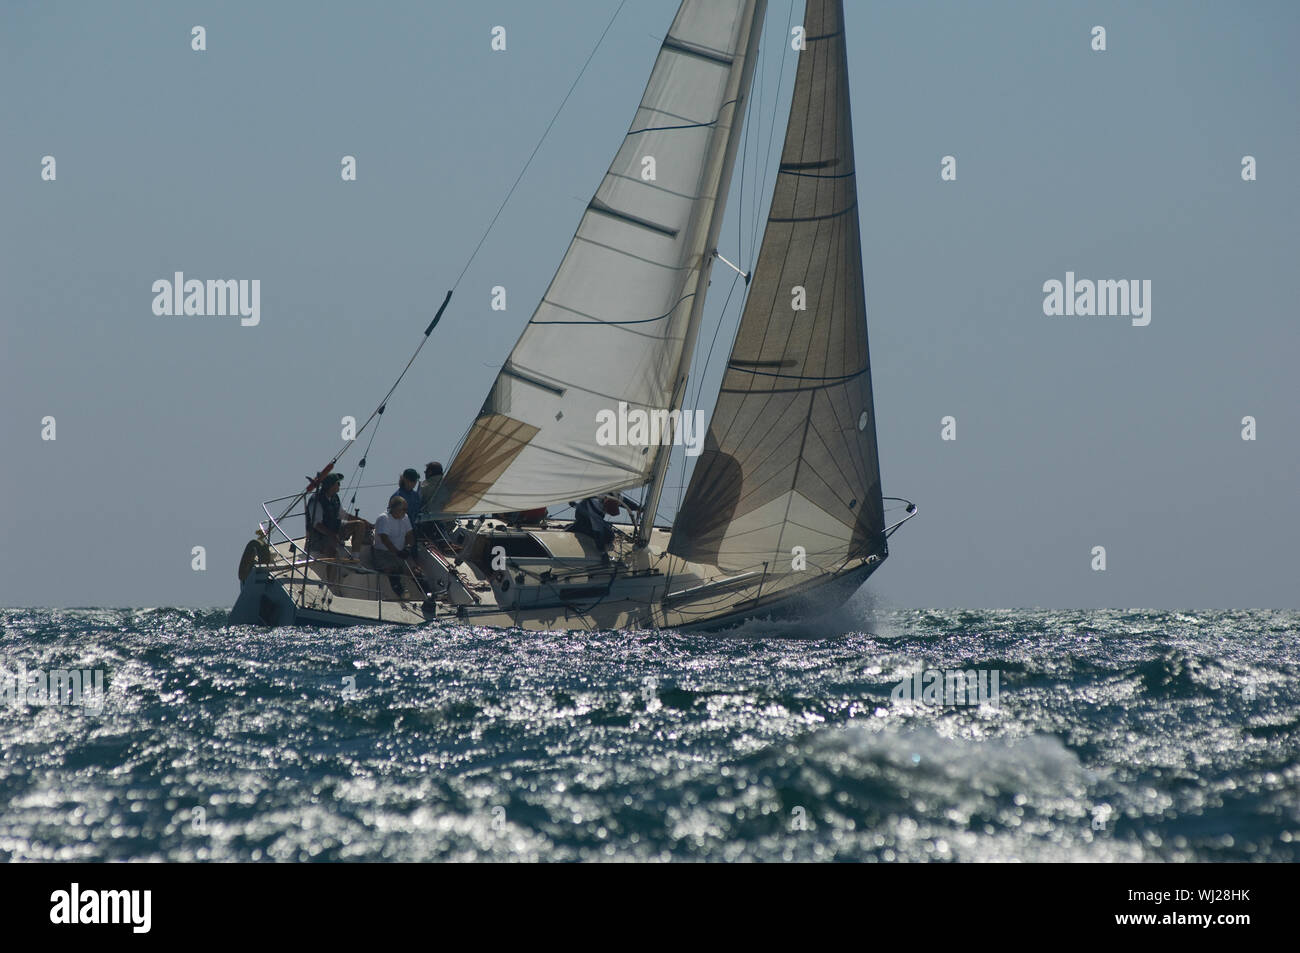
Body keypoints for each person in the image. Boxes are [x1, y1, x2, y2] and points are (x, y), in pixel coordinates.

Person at [305, 473, 368, 581]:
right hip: (319, 537)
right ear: (331, 486)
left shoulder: (335, 498)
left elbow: (343, 515)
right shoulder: (316, 500)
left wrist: (365, 522)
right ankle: (330, 583)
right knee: (333, 553)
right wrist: (332, 535)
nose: (339, 485)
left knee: (359, 525)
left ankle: (354, 560)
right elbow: (316, 524)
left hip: (334, 529)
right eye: (337, 483)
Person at [373, 495, 417, 598]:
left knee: (416, 570)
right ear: (394, 508)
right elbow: (385, 539)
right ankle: (401, 593)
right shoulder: (384, 518)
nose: (406, 512)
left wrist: (408, 548)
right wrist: (397, 552)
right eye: (404, 509)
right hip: (384, 554)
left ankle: (430, 594)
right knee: (392, 570)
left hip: (400, 553)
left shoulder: (405, 517)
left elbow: (410, 534)